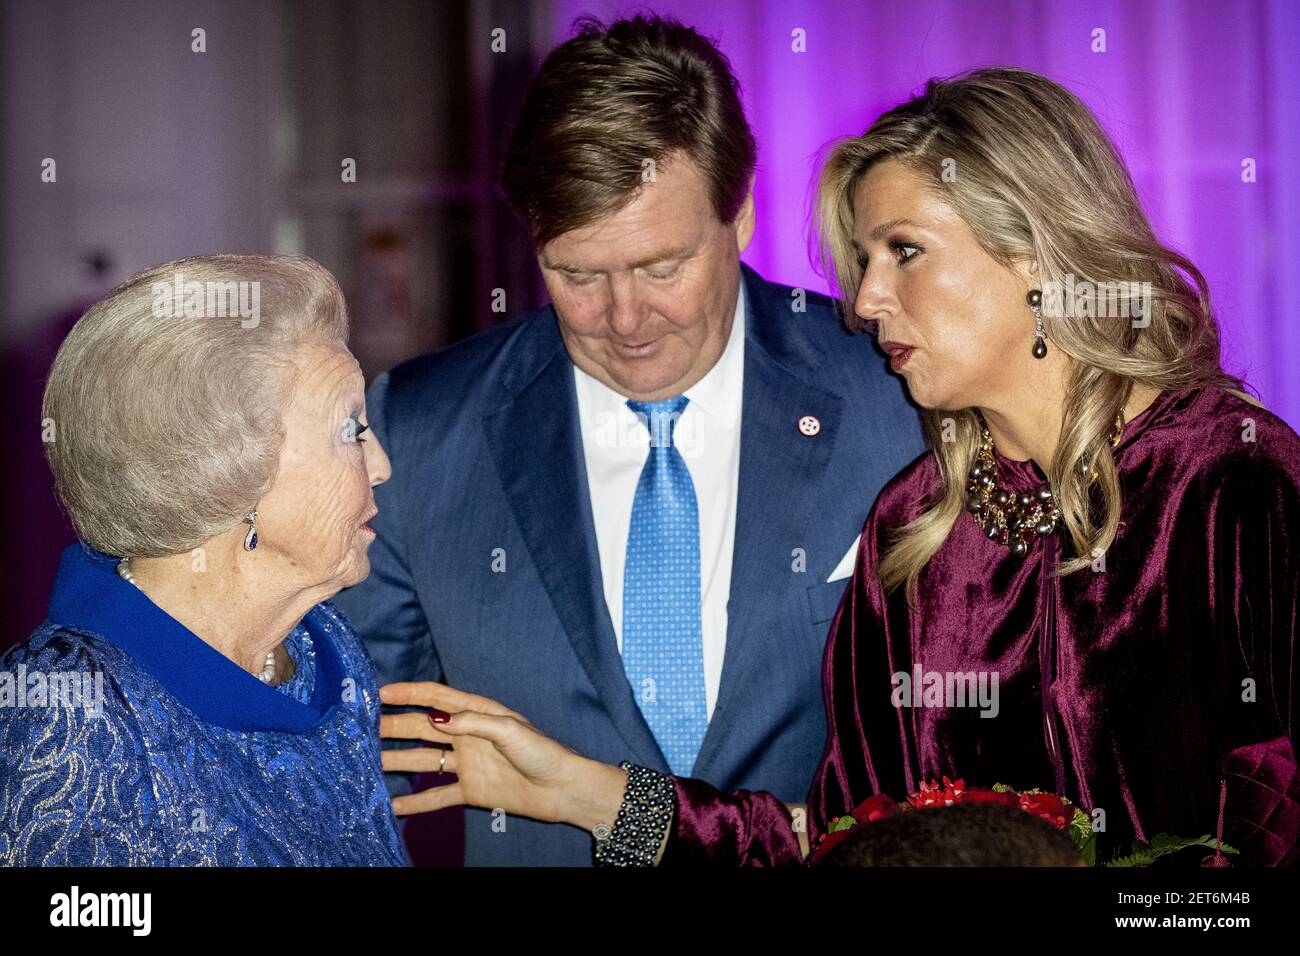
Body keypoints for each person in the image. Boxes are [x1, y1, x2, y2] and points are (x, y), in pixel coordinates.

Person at [377, 68, 1300, 867]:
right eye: (863, 259)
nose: (863, 300)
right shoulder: (917, 526)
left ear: (1037, 251)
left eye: (905, 252)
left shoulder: (1232, 484)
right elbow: (840, 842)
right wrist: (593, 795)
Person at [332, 14, 925, 866]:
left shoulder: (893, 398)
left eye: (662, 267)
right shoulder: (419, 428)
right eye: (577, 275)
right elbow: (355, 762)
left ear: (742, 210)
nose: (625, 318)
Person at [0, 255, 407, 866]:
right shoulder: (68, 715)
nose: (381, 466)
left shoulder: (327, 645)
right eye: (351, 430)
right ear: (229, 478)